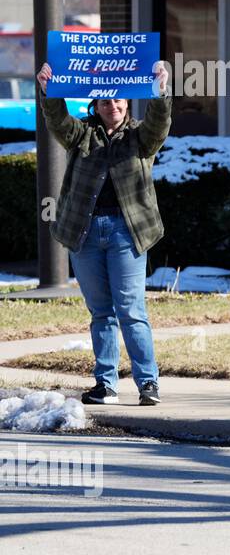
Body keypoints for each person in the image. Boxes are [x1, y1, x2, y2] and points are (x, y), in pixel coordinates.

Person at [37, 60, 172, 406]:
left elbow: (160, 122)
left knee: (131, 308)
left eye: (118, 101)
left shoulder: (141, 137)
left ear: (127, 104)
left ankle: (148, 383)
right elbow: (58, 121)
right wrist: (49, 91)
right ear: (94, 106)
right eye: (105, 102)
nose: (112, 107)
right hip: (85, 234)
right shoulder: (82, 135)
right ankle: (106, 383)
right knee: (101, 312)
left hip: (126, 234)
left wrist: (160, 89)